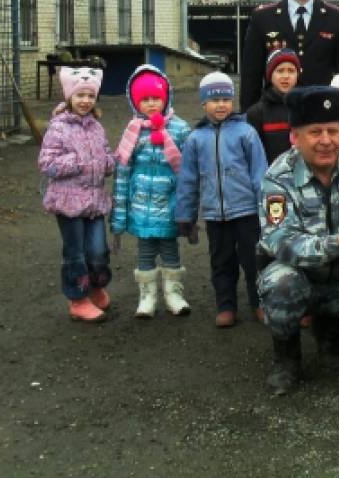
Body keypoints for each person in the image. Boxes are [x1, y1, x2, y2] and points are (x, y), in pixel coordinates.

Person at [256, 86, 339, 395]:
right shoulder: (278, 177)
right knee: (280, 285)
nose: (326, 141)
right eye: (315, 132)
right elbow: (280, 241)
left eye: (333, 130)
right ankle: (286, 357)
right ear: (295, 136)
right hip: (300, 275)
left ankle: (331, 337)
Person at [176, 72, 268, 328]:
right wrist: (185, 215)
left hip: (247, 211)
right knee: (221, 261)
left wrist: (265, 207)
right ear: (203, 104)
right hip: (215, 214)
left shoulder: (246, 133)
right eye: (215, 100)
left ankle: (260, 302)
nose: (221, 105)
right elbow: (187, 179)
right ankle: (226, 306)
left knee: (254, 260)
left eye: (226, 99)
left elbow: (260, 172)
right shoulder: (195, 139)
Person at [111, 65, 192, 319]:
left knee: (170, 249)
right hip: (141, 206)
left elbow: (190, 171)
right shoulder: (133, 131)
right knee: (145, 251)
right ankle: (147, 296)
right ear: (135, 102)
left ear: (166, 98)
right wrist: (119, 215)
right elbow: (122, 173)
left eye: (155, 98)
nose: (151, 104)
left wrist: (188, 208)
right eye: (144, 99)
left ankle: (173, 293)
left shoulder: (179, 129)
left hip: (169, 204)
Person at [37, 66, 115, 323]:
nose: (85, 101)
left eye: (90, 96)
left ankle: (94, 287)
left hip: (93, 201)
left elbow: (105, 154)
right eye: (80, 95)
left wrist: (110, 162)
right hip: (68, 203)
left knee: (98, 251)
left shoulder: (96, 127)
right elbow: (46, 163)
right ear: (70, 96)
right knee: (76, 253)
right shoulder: (58, 128)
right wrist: (77, 161)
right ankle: (78, 299)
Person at [246, 48, 300, 165]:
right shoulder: (256, 113)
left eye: (291, 71)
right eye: (280, 71)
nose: (286, 76)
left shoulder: (305, 107)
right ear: (270, 75)